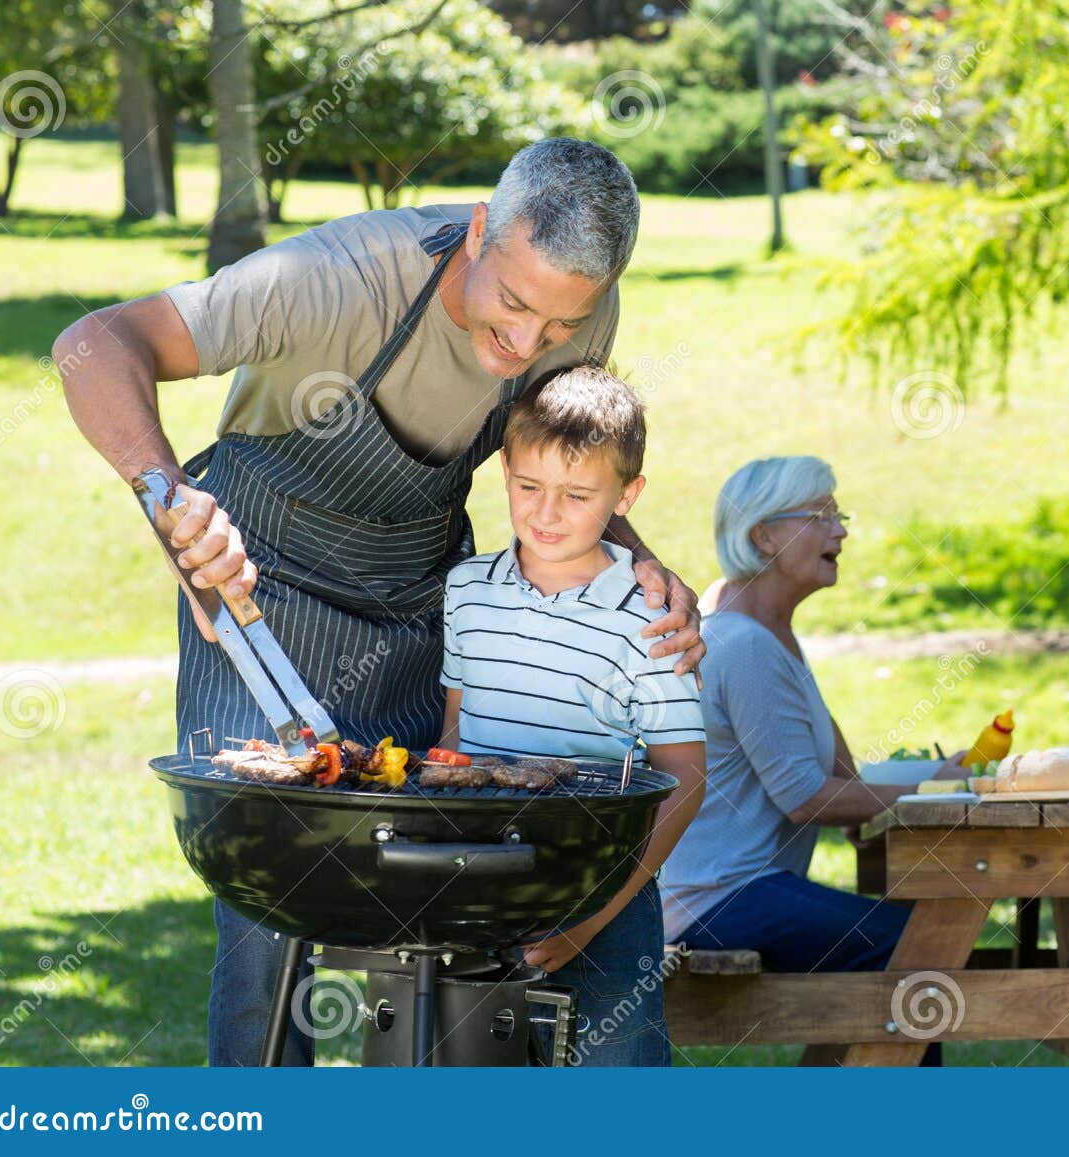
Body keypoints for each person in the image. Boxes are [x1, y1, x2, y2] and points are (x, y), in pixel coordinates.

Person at [56, 138, 704, 1067]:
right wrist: (169, 500)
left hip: (419, 608)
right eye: (513, 305)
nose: (525, 346)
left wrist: (639, 564)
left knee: (455, 873)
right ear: (480, 231)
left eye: (557, 330)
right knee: (270, 901)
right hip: (255, 593)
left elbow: (559, 467)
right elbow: (92, 342)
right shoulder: (339, 279)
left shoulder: (576, 302)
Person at [437, 366, 705, 1066]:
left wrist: (591, 922)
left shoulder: (650, 621)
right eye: (528, 487)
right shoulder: (467, 592)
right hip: (477, 877)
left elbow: (686, 778)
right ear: (504, 471)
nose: (546, 513)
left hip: (602, 888)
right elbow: (453, 736)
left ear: (627, 494)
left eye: (578, 494)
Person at [661, 457, 965, 989]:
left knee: (911, 940)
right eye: (819, 516)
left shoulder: (764, 629)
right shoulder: (744, 642)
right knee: (914, 945)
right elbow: (804, 797)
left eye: (838, 513)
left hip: (738, 891)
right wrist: (937, 788)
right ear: (764, 536)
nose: (841, 530)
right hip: (714, 900)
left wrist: (933, 779)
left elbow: (838, 773)